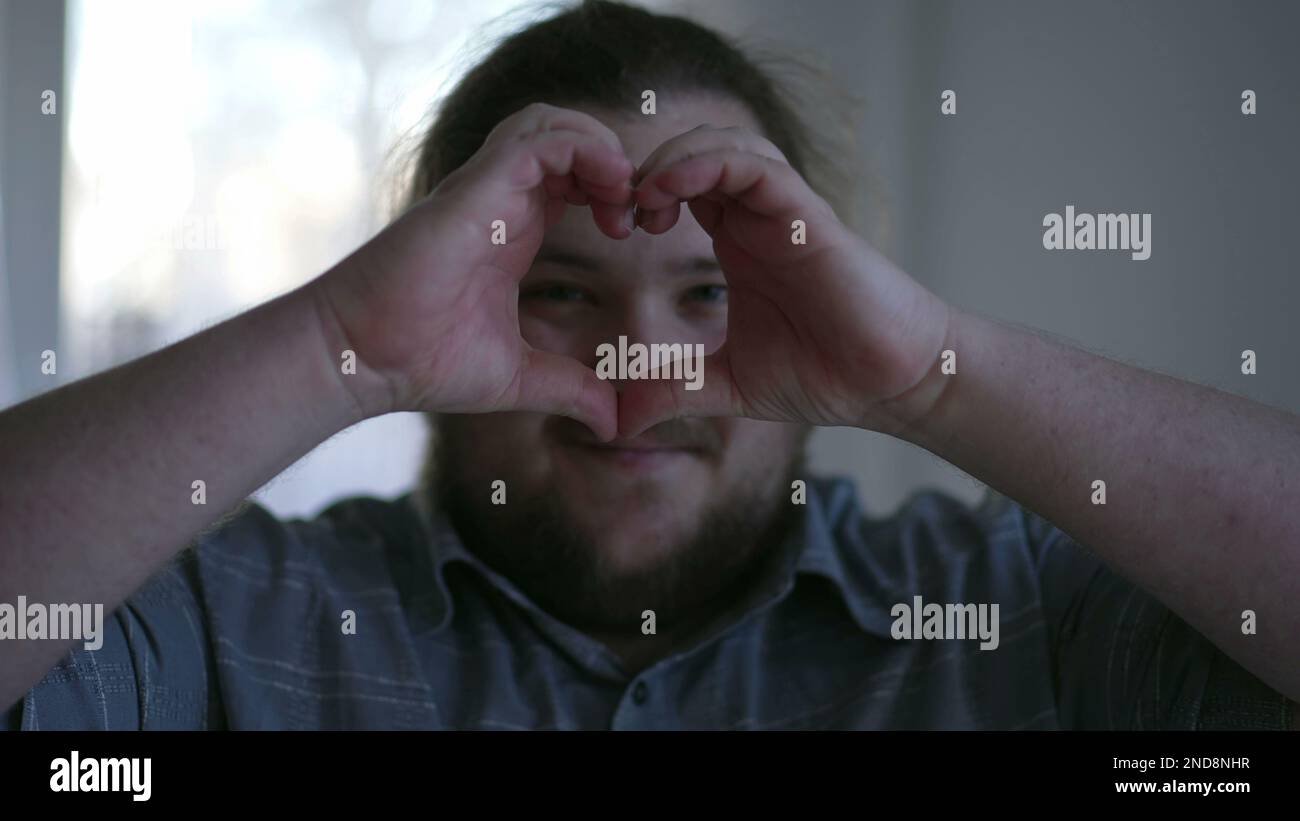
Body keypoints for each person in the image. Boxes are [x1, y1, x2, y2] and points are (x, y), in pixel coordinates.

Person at [1, 0, 1296, 730]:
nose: (640, 368)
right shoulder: (240, 623)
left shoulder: (1019, 620)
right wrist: (340, 347)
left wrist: (934, 378)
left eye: (716, 296)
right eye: (555, 294)